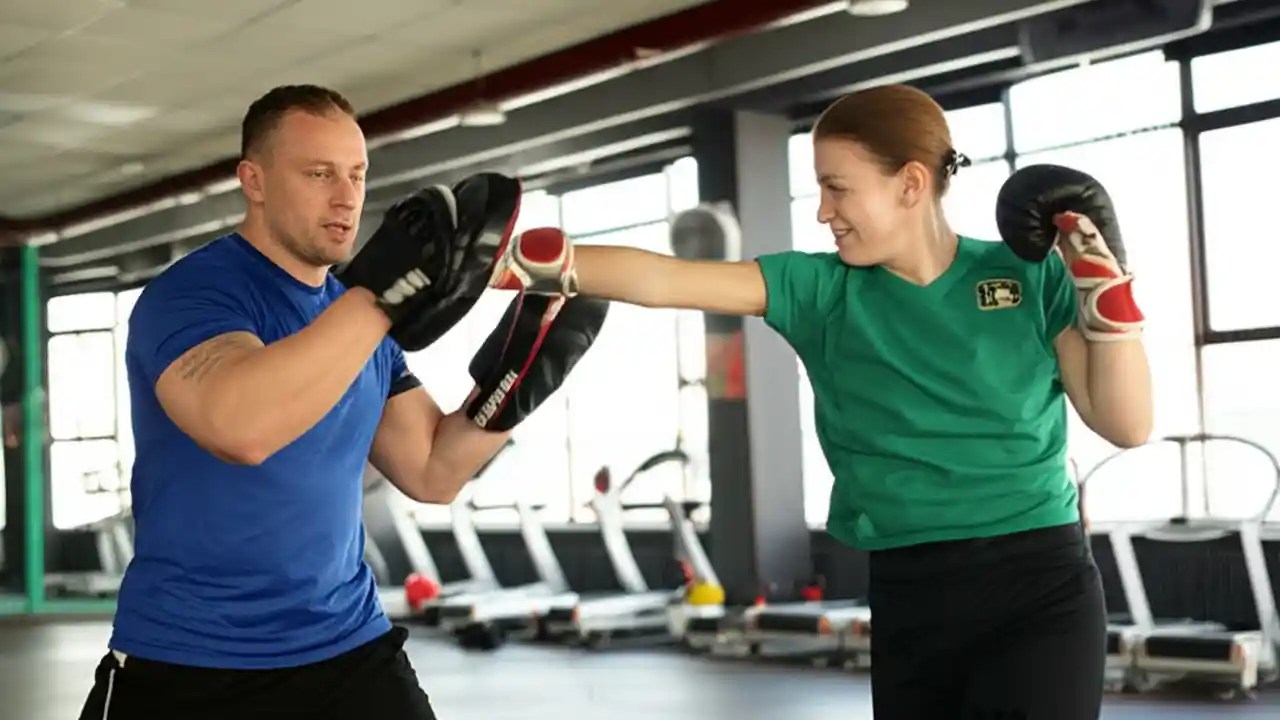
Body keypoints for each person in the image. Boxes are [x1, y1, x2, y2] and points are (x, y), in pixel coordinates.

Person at [522, 84, 1154, 718]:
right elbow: (663, 279)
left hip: (1038, 582)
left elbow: (1125, 424)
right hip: (910, 592)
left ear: (909, 184)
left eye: (837, 187)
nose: (824, 211)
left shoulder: (1030, 273)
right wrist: (508, 261)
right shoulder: (822, 290)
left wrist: (1108, 312)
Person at [78, 84, 608, 720]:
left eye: (357, 174)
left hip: (347, 648)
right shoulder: (194, 295)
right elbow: (241, 426)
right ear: (255, 180)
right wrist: (379, 299)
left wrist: (514, 386)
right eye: (319, 173)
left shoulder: (356, 319)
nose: (347, 196)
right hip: (192, 664)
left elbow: (432, 470)